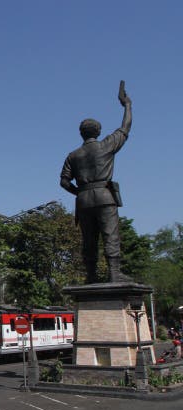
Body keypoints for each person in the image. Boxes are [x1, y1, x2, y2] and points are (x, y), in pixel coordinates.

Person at [60, 81, 133, 284]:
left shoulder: (73, 155)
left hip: (83, 199)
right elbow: (125, 127)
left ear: (81, 133)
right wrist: (127, 105)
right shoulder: (105, 146)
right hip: (104, 196)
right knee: (110, 234)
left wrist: (79, 192)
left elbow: (64, 182)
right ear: (98, 132)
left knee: (89, 240)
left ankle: (91, 275)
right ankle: (114, 273)